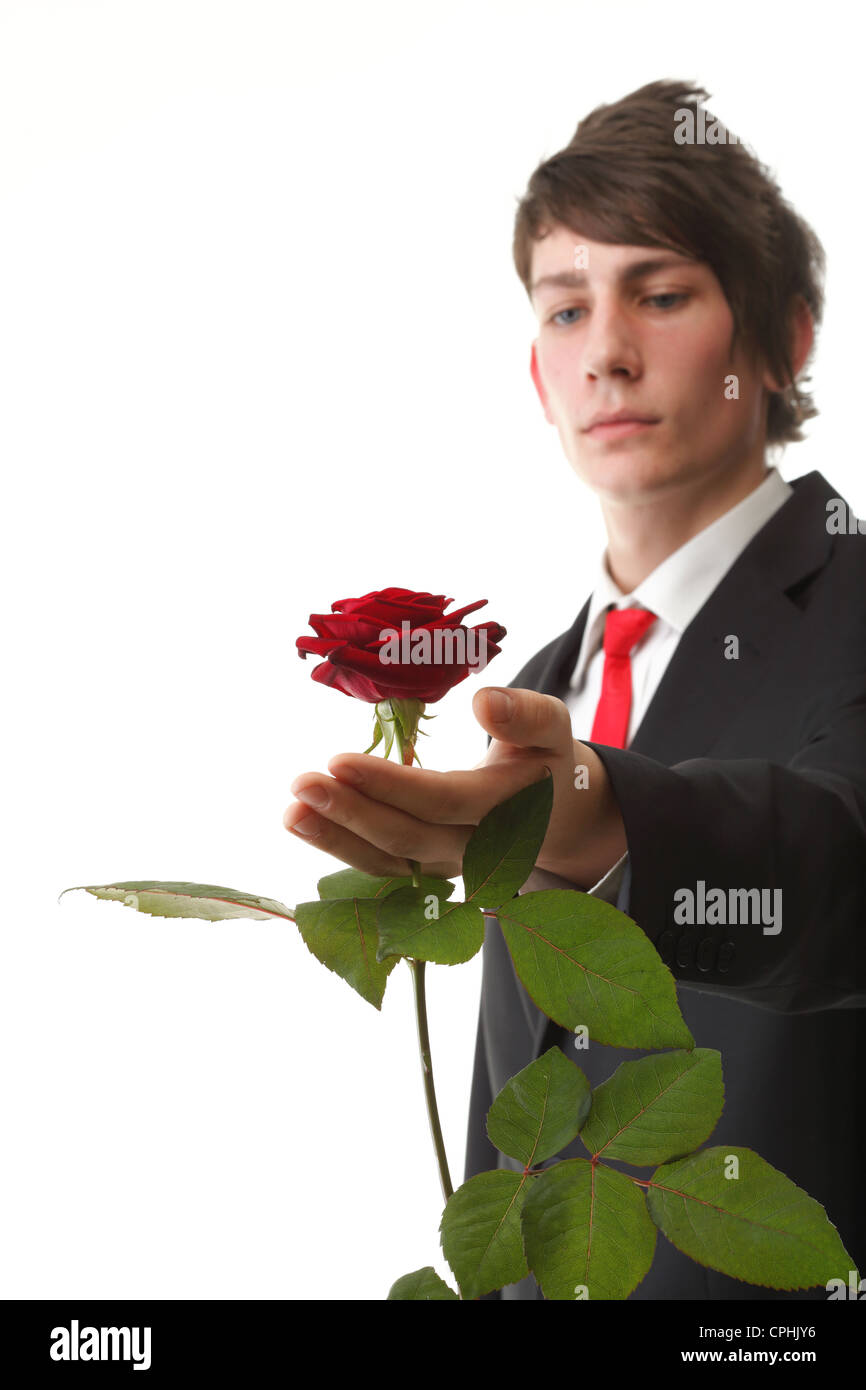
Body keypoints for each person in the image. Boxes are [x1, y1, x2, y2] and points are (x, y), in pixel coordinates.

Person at [284, 79, 866, 1299]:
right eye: (564, 309)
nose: (604, 350)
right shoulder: (542, 685)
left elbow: (840, 862)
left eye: (659, 295)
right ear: (534, 372)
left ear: (783, 339)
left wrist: (613, 819)